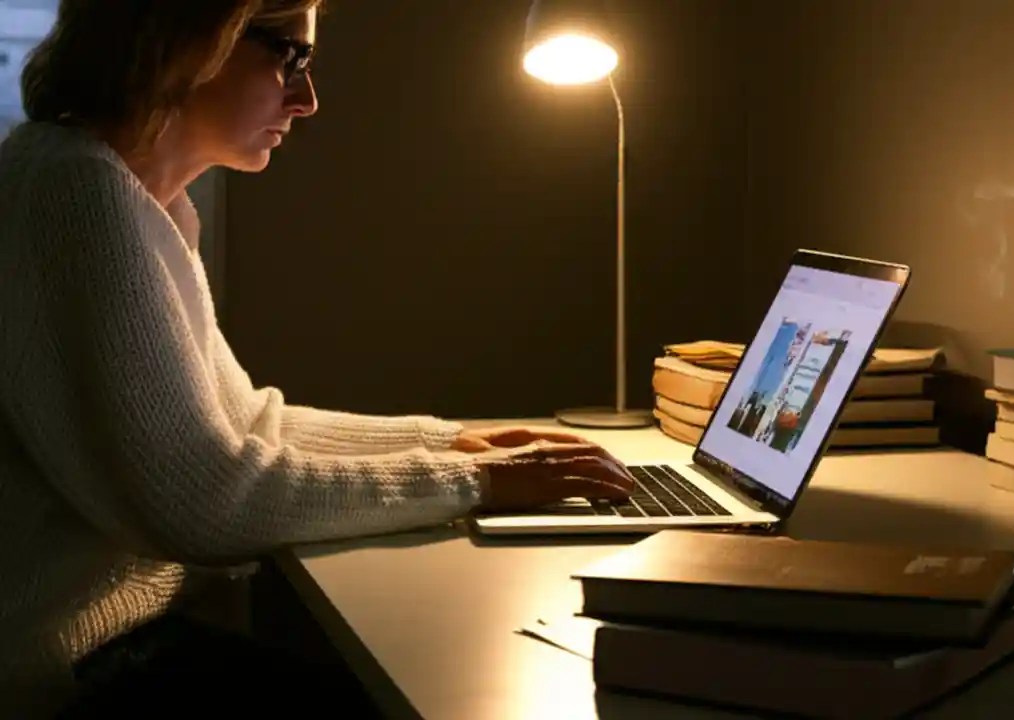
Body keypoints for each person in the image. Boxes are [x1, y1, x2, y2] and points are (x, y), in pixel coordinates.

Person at [0, 1, 635, 715]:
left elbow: (243, 425)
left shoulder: (140, 199)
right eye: (290, 58)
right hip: (52, 678)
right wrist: (472, 483)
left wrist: (450, 443)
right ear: (189, 38)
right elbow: (206, 496)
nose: (306, 99)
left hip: (117, 652)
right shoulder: (74, 193)